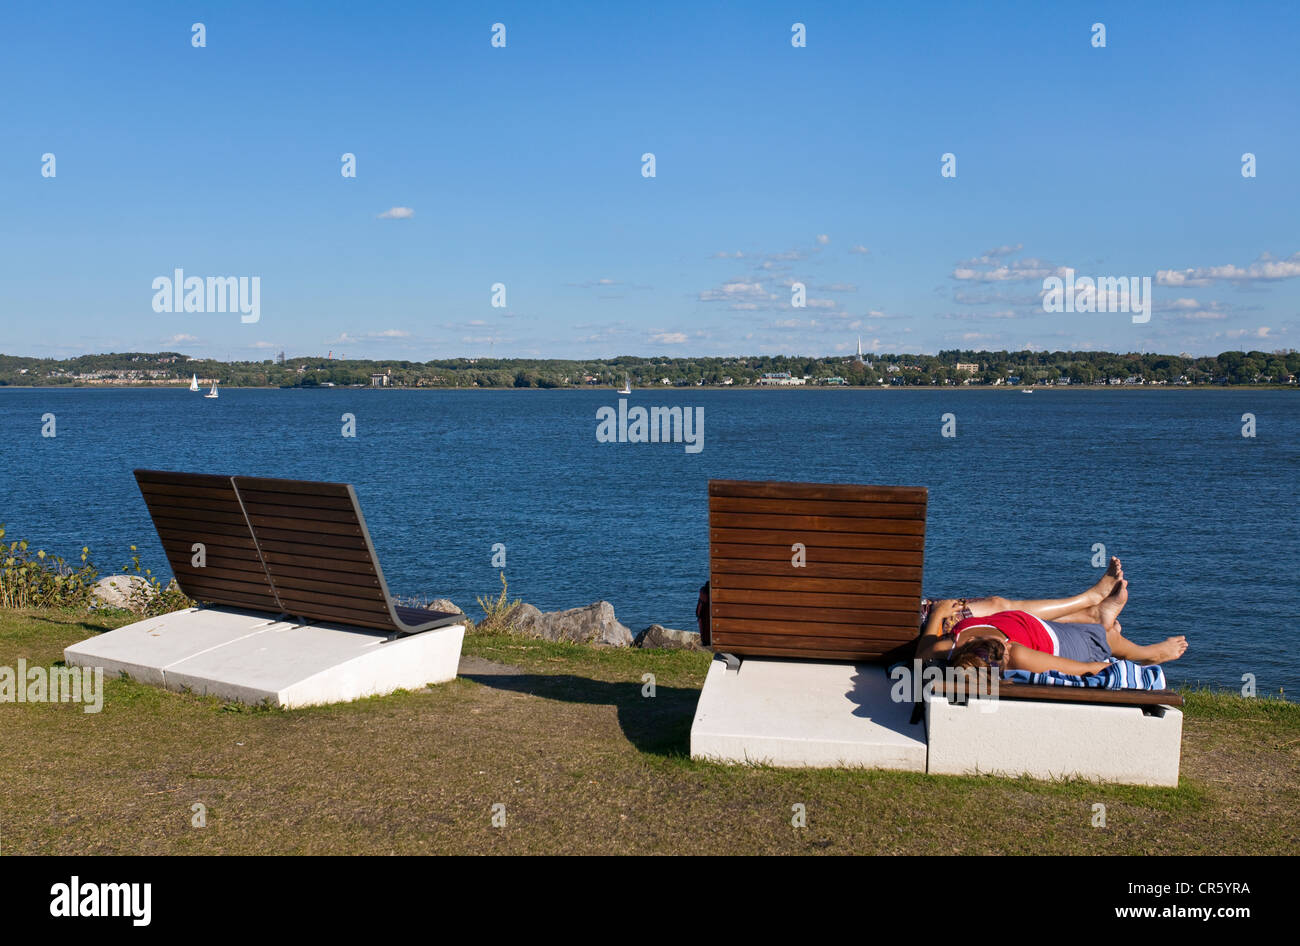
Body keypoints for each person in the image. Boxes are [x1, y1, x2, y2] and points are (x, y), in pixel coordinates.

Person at [915, 558, 1188, 676]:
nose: (1007, 644)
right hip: (1053, 640)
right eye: (1007, 647)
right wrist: (1120, 672)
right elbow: (1082, 670)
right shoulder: (1017, 654)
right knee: (1105, 636)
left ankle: (1094, 612)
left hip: (1024, 622)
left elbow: (922, 654)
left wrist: (937, 616)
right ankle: (1148, 653)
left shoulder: (950, 645)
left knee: (1004, 608)